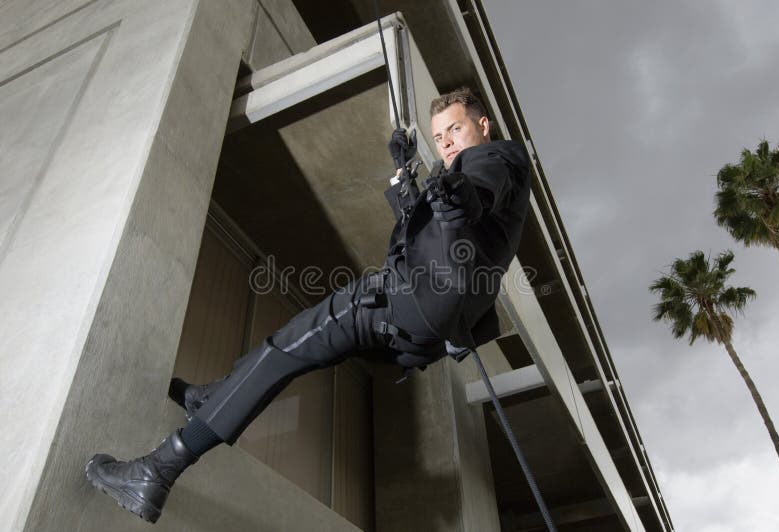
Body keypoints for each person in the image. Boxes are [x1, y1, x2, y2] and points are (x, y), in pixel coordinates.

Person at [85, 87, 531, 523]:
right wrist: (403, 173)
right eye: (440, 137)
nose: (448, 142)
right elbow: (432, 230)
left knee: (285, 350)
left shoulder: (494, 160)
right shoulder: (478, 174)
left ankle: (157, 470)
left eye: (455, 129)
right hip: (421, 328)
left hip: (401, 300)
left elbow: (474, 194)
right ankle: (214, 395)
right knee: (294, 349)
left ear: (483, 125)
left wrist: (460, 199)